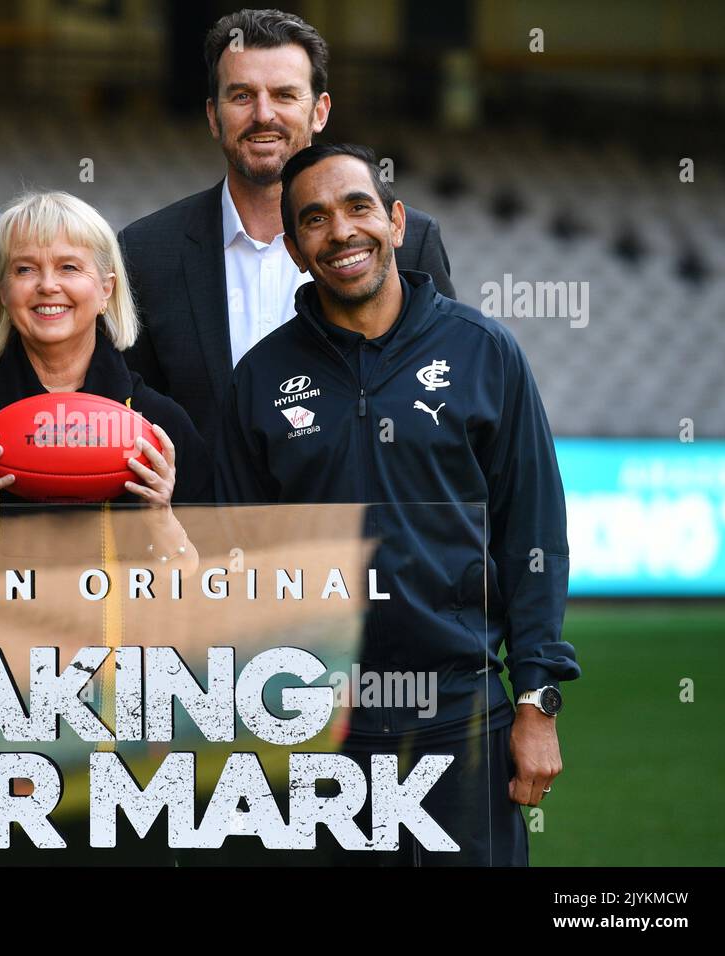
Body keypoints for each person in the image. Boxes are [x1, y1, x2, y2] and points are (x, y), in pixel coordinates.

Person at [216, 143, 579, 865]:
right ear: (293, 249)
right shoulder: (259, 379)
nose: (341, 232)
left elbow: (532, 534)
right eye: (314, 220)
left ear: (397, 221)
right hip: (313, 726)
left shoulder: (485, 352)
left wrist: (537, 700)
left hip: (460, 715)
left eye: (358, 207)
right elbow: (237, 563)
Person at [119, 8, 455, 450]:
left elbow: (447, 389)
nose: (263, 115)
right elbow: (127, 415)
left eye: (284, 95)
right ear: (213, 115)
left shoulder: (405, 241)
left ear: (319, 110)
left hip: (359, 517)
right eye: (241, 96)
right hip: (203, 518)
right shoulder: (144, 252)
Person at [0, 191, 211, 579]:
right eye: (25, 269)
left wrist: (161, 517)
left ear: (106, 289)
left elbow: (207, 585)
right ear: (2, 292)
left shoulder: (163, 426)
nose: (47, 285)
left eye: (68, 267)